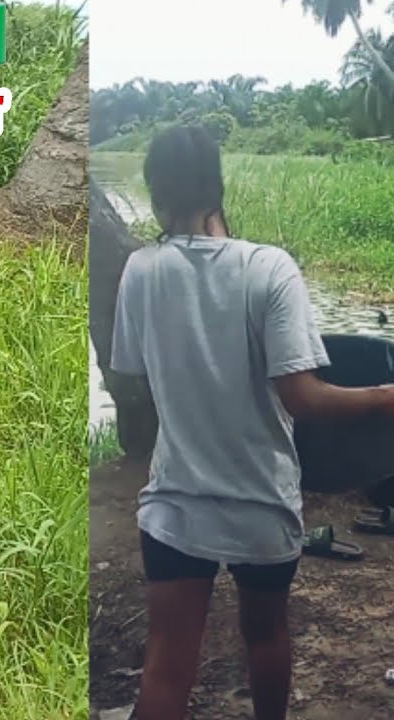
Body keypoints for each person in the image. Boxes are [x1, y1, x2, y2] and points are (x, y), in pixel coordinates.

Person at [110, 124, 394, 720]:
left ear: (156, 195)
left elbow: (142, 380)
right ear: (218, 186)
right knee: (265, 638)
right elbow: (304, 398)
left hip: (174, 506)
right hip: (260, 505)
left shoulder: (140, 270)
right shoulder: (270, 269)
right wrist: (384, 396)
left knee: (166, 667)